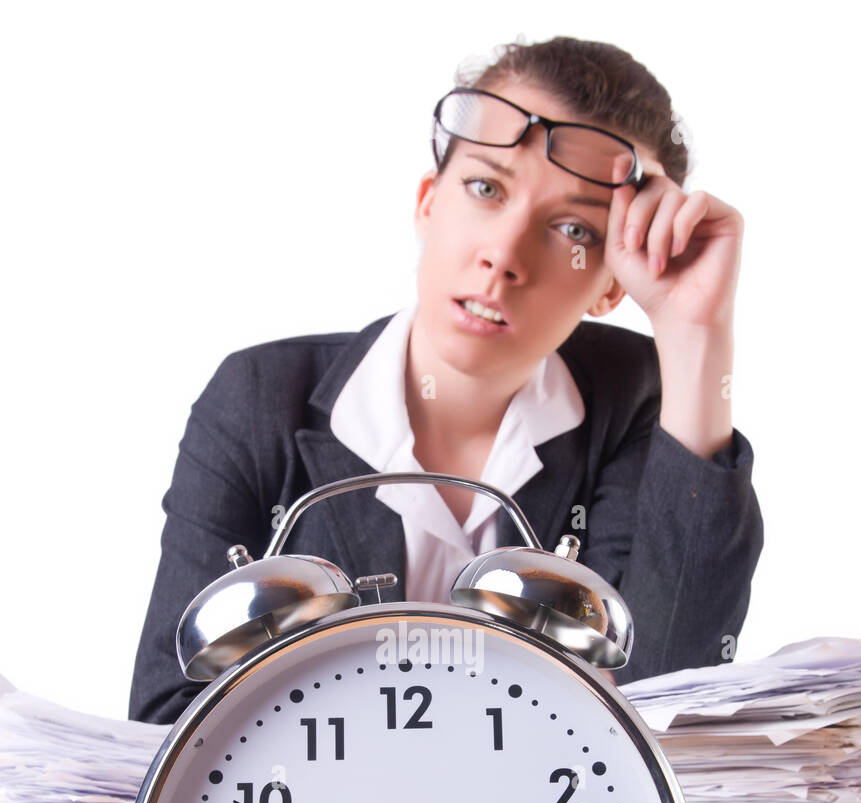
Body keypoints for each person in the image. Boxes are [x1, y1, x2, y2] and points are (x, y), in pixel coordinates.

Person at [128, 35, 763, 727]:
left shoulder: (637, 403)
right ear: (429, 202)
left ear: (611, 285)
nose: (503, 255)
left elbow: (666, 705)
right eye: (486, 188)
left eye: (572, 228)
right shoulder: (259, 400)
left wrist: (694, 335)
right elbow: (167, 718)